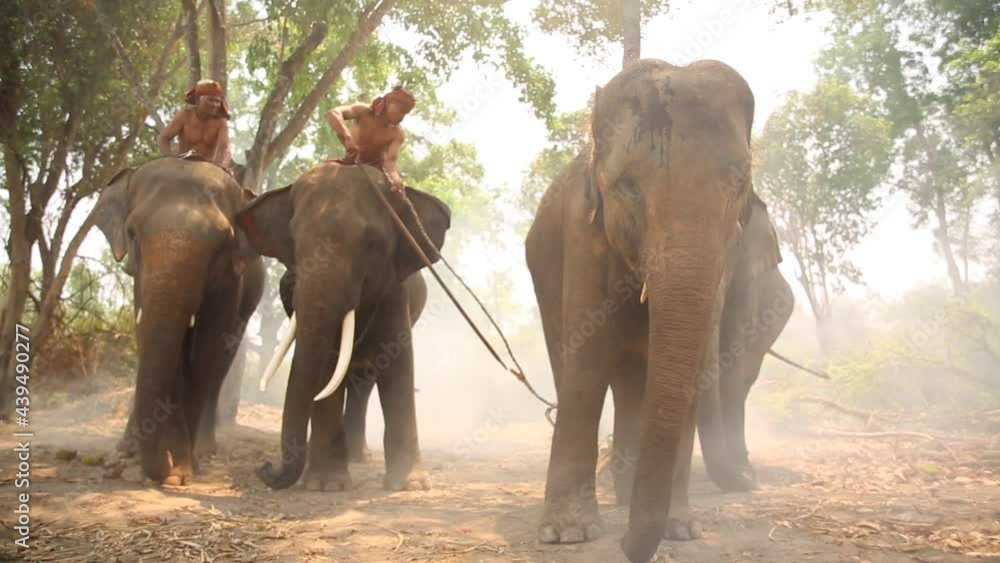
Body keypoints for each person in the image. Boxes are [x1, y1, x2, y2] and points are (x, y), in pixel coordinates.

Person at [324, 86, 415, 192]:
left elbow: (391, 162)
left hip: (376, 171)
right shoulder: (363, 111)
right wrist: (347, 137)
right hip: (350, 162)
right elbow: (332, 114)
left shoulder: (397, 134)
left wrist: (395, 178)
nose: (401, 115)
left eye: (404, 112)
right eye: (399, 109)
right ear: (389, 102)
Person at [158, 79, 232, 167]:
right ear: (198, 100)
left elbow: (224, 148)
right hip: (183, 163)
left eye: (217, 101)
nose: (215, 105)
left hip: (207, 166)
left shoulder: (220, 122)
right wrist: (169, 158)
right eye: (211, 100)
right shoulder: (184, 115)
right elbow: (164, 138)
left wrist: (220, 166)